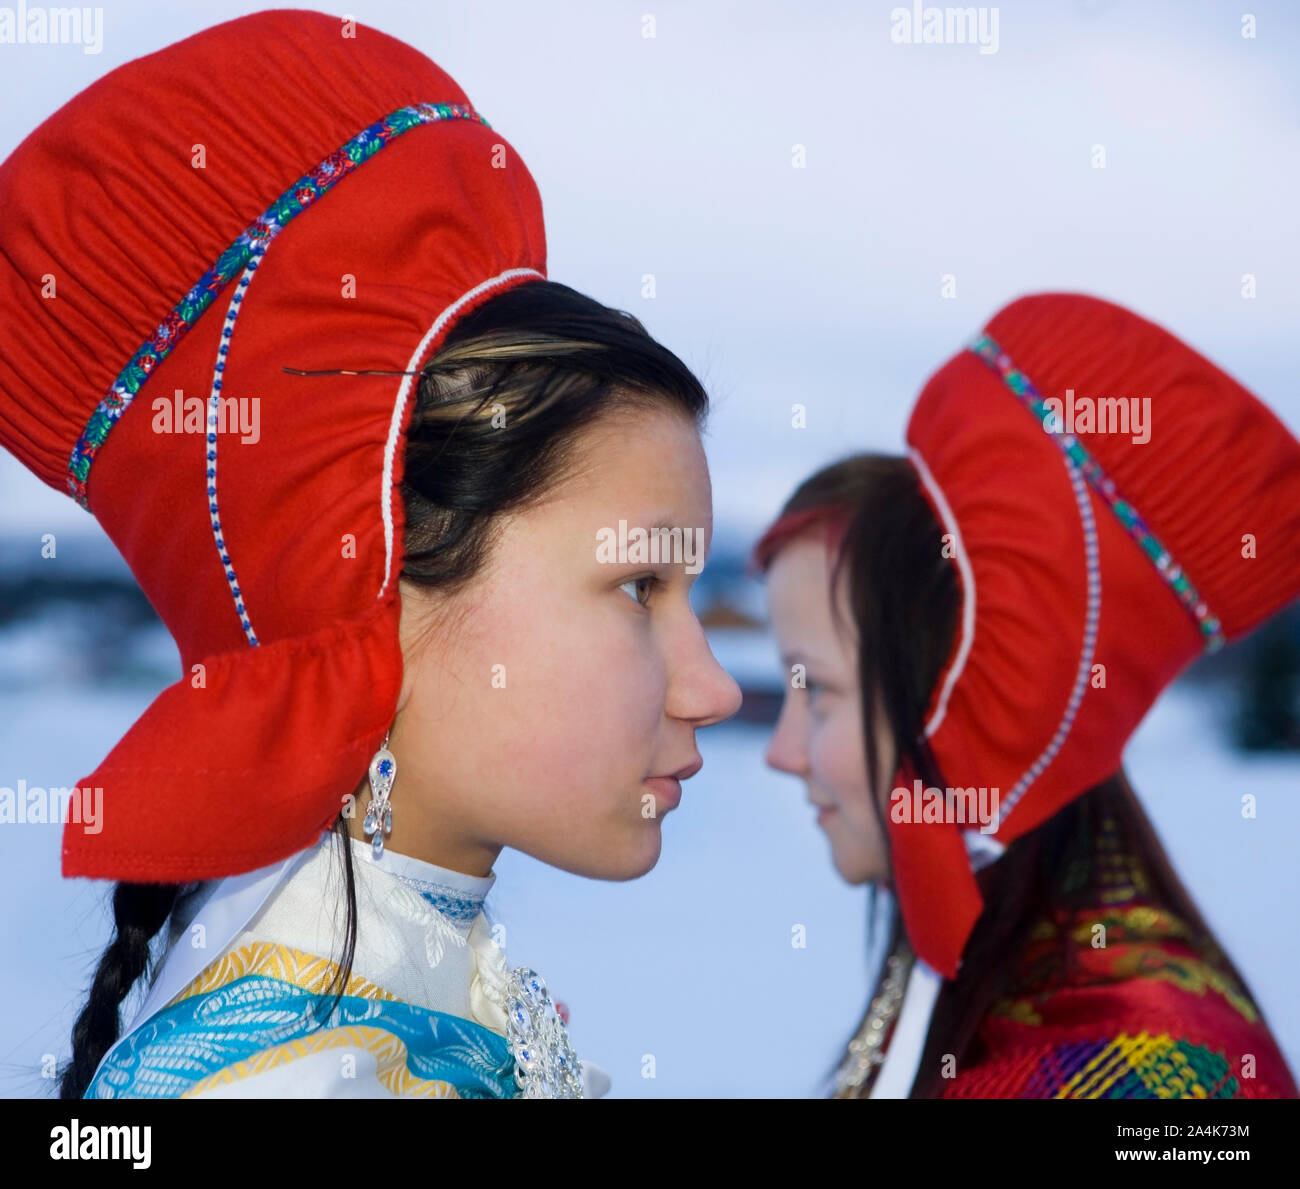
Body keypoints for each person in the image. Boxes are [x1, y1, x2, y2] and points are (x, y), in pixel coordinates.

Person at [0, 9, 740, 1099]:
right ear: (367, 579)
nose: (715, 685)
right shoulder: (303, 1075)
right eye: (637, 585)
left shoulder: (372, 1000)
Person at [751, 293, 1300, 1098]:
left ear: (971, 704)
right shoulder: (1007, 974)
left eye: (818, 690)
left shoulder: (1150, 1081)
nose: (780, 749)